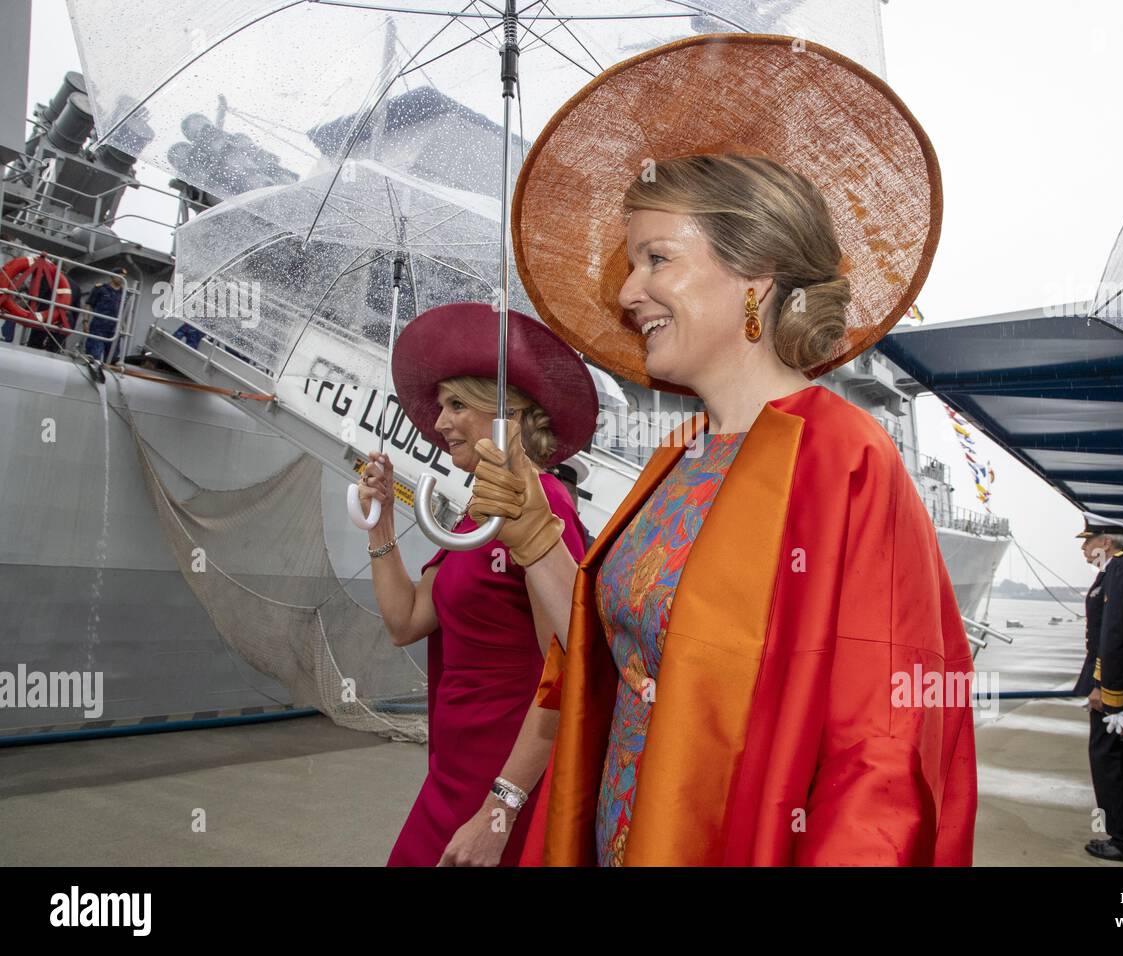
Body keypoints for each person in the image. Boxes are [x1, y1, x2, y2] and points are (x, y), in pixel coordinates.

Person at [468, 35, 976, 865]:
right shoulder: (680, 456)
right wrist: (535, 537)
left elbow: (881, 753)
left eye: (656, 259)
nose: (628, 293)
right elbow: (609, 668)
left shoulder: (847, 459)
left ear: (758, 276)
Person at [362, 302, 596, 866]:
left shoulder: (548, 511)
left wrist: (502, 806)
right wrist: (380, 524)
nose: (438, 422)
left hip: (505, 774)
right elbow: (405, 622)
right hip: (451, 767)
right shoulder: (475, 518)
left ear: (507, 417)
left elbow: (567, 672)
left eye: (456, 404)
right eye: (441, 405)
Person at [1069, 512, 1123, 861]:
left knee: (1108, 760)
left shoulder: (1117, 574)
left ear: (1105, 543)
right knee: (1112, 760)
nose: (1084, 548)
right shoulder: (1111, 574)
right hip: (1109, 682)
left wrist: (1100, 685)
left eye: (1088, 541)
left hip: (1110, 688)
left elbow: (1113, 637)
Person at [84, 269, 126, 363]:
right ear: (112, 276)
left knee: (112, 357)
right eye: (120, 275)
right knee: (94, 354)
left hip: (114, 329)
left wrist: (123, 327)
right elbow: (89, 304)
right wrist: (85, 321)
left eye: (123, 277)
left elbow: (124, 311)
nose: (122, 278)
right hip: (98, 327)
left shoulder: (124, 293)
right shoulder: (100, 288)